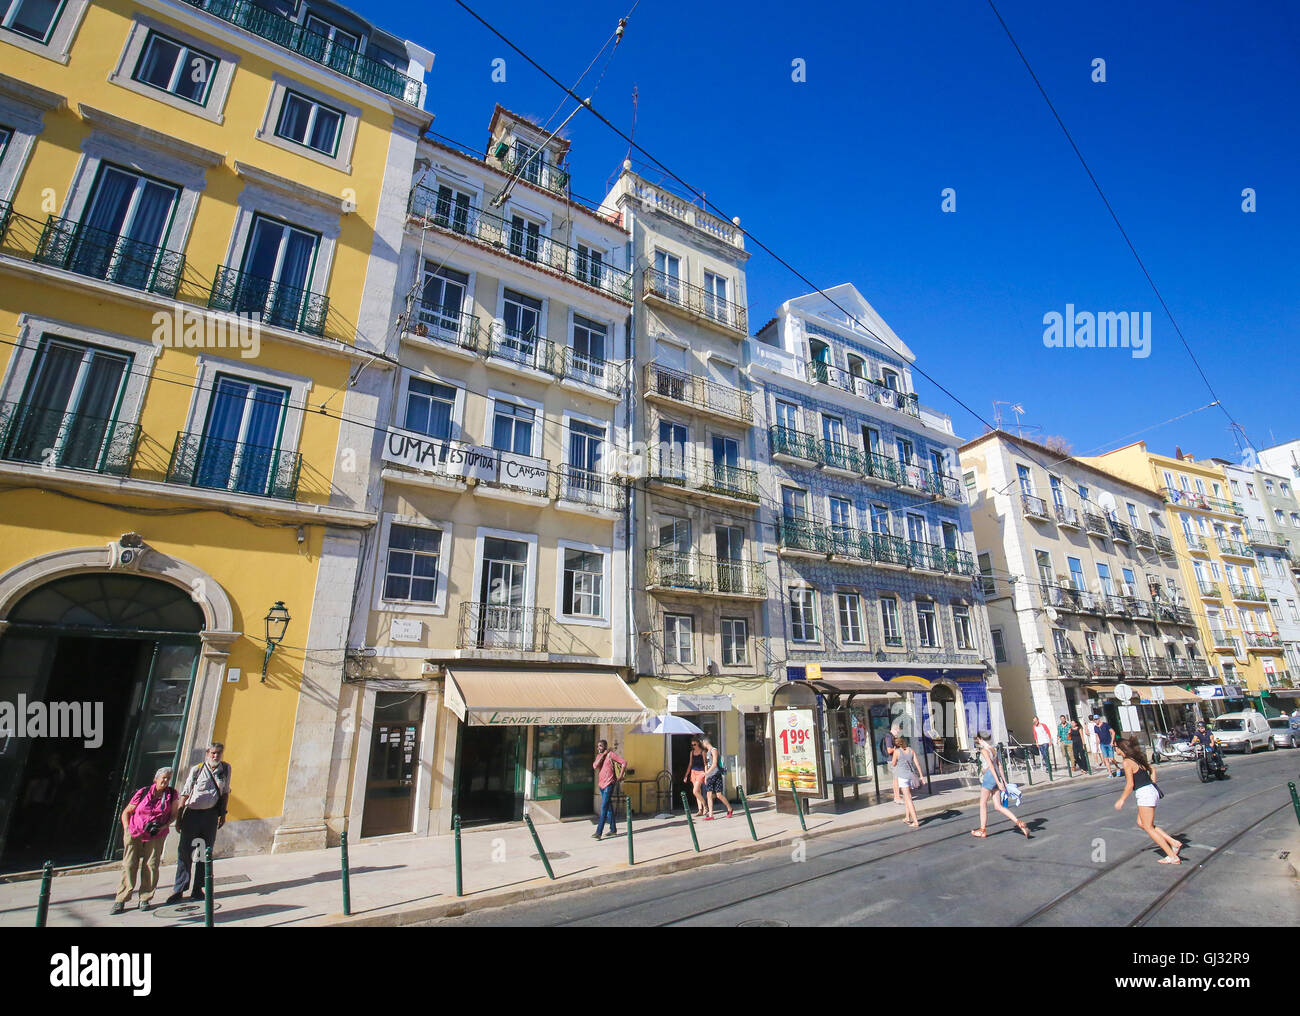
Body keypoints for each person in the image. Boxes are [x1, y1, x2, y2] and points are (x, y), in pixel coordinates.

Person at [165, 743, 231, 904]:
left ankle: (198, 888)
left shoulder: (225, 769)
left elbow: (225, 792)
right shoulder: (197, 769)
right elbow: (185, 793)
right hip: (192, 815)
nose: (216, 756)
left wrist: (222, 814)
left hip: (210, 816)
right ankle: (179, 889)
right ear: (207, 753)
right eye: (213, 753)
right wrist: (179, 818)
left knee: (204, 852)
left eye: (219, 753)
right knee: (185, 852)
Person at [111, 767, 178, 915]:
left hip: (157, 834)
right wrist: (127, 828)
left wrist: (165, 825)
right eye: (164, 778)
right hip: (135, 832)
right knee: (129, 864)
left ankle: (145, 897)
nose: (166, 781)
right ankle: (121, 899)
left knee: (151, 865)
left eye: (168, 778)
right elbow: (127, 812)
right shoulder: (143, 792)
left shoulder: (172, 794)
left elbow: (174, 814)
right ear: (156, 779)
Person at [1113, 736, 1181, 865]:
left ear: (1120, 749)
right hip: (1149, 790)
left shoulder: (1127, 762)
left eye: (1115, 747)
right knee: (1141, 823)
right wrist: (1152, 785)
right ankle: (1173, 842)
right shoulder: (1136, 758)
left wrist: (1122, 800)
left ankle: (1172, 856)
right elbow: (1152, 769)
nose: (1114, 749)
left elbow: (1130, 785)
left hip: (1145, 793)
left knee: (1148, 827)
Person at [970, 732, 1029, 839]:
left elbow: (992, 767)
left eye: (978, 740)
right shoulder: (993, 749)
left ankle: (982, 830)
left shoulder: (984, 751)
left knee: (982, 803)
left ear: (980, 739)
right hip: (996, 776)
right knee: (998, 806)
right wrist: (1004, 782)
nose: (977, 742)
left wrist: (998, 782)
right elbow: (1000, 766)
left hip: (989, 777)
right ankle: (1019, 822)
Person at [591, 739, 625, 839]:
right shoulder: (599, 756)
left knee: (604, 807)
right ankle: (613, 829)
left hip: (609, 784)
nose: (598, 748)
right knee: (609, 808)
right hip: (601, 785)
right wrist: (602, 755)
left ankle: (598, 832)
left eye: (600, 746)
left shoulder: (611, 755)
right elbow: (595, 766)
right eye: (598, 746)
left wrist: (620, 776)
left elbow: (624, 762)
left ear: (605, 746)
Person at [700, 735, 732, 819]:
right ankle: (711, 815)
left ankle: (729, 808)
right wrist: (706, 776)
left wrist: (706, 773)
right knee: (709, 795)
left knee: (719, 795)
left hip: (716, 774)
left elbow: (714, 764)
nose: (702, 744)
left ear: (705, 742)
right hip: (710, 776)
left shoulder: (714, 750)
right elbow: (707, 764)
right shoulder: (707, 752)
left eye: (702, 742)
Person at [893, 735, 922, 828]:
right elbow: (917, 763)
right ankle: (907, 817)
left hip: (903, 777)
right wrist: (921, 776)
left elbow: (893, 763)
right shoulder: (911, 750)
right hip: (911, 776)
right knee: (907, 797)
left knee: (908, 799)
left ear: (896, 744)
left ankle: (916, 821)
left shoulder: (897, 752)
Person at [683, 737, 708, 816]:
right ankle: (700, 810)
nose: (693, 746)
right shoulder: (692, 752)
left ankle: (705, 806)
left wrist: (706, 774)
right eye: (692, 745)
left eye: (694, 744)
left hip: (700, 772)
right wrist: (686, 775)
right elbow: (690, 764)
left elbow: (705, 764)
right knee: (698, 792)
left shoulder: (702, 752)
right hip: (693, 772)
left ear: (698, 743)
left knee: (695, 791)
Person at [884, 724, 901, 803]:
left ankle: (897, 796)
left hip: (894, 759)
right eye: (898, 731)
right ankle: (897, 797)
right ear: (895, 729)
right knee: (896, 779)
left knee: (896, 779)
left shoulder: (892, 737)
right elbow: (889, 750)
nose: (898, 733)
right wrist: (897, 749)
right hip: (892, 760)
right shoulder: (888, 737)